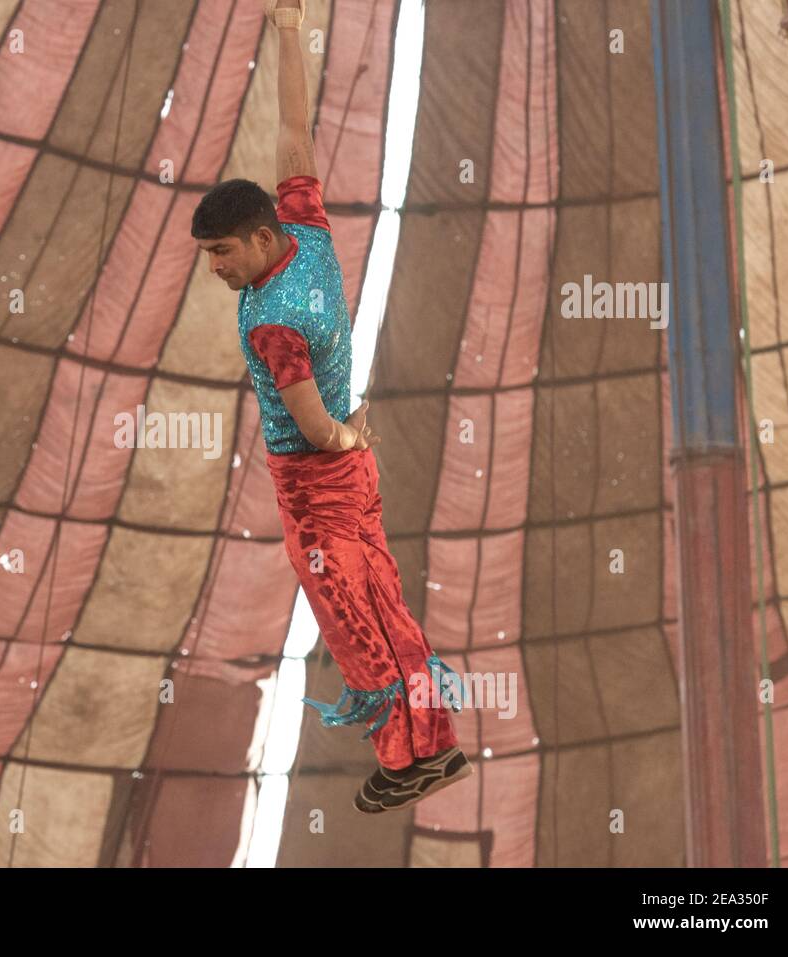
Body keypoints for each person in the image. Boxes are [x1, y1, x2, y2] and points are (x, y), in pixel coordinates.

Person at [190, 0, 471, 813]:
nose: (214, 269)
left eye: (219, 253)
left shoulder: (275, 320)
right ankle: (437, 743)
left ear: (253, 237)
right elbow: (292, 133)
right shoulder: (307, 231)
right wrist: (287, 31)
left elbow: (312, 426)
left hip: (317, 482)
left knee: (352, 623)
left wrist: (345, 433)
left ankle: (404, 756)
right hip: (359, 478)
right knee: (387, 602)